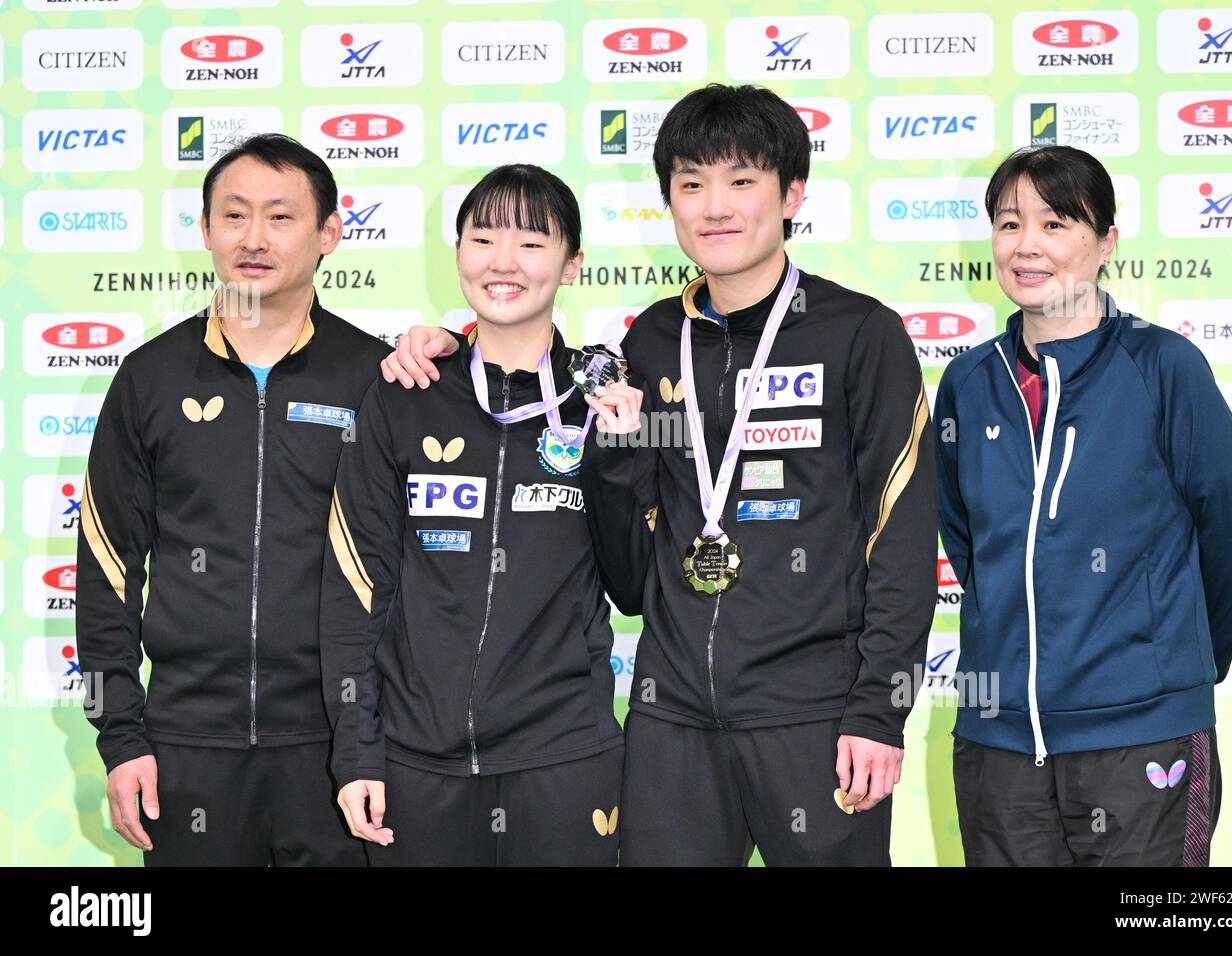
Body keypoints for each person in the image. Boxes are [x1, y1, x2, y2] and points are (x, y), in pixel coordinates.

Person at [386, 85, 938, 866]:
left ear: (793, 194)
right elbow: (628, 575)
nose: (715, 205)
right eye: (691, 183)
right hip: (672, 714)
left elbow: (904, 536)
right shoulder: (649, 340)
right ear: (668, 201)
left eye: (742, 180)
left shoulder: (860, 334)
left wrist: (879, 712)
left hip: (812, 714)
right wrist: (448, 340)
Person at [933, 144, 1232, 866]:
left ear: (1106, 241)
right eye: (1008, 223)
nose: (1027, 245)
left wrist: (1174, 658)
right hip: (997, 742)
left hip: (1142, 736)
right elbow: (968, 543)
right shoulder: (967, 381)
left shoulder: (1162, 366)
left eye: (1056, 224)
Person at [76, 133, 398, 864]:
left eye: (281, 217)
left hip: (338, 752)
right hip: (185, 750)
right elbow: (105, 573)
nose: (254, 239)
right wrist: (121, 738)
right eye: (235, 216)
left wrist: (373, 739)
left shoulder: (376, 378)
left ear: (330, 234)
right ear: (206, 230)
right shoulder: (148, 378)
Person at [320, 164, 645, 866]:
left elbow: (634, 586)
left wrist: (619, 454)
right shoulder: (406, 390)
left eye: (532, 243)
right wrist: (357, 750)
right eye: (483, 238)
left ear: (573, 263)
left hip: (563, 758)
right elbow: (356, 588)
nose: (503, 261)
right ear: (459, 252)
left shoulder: (603, 400)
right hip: (414, 763)